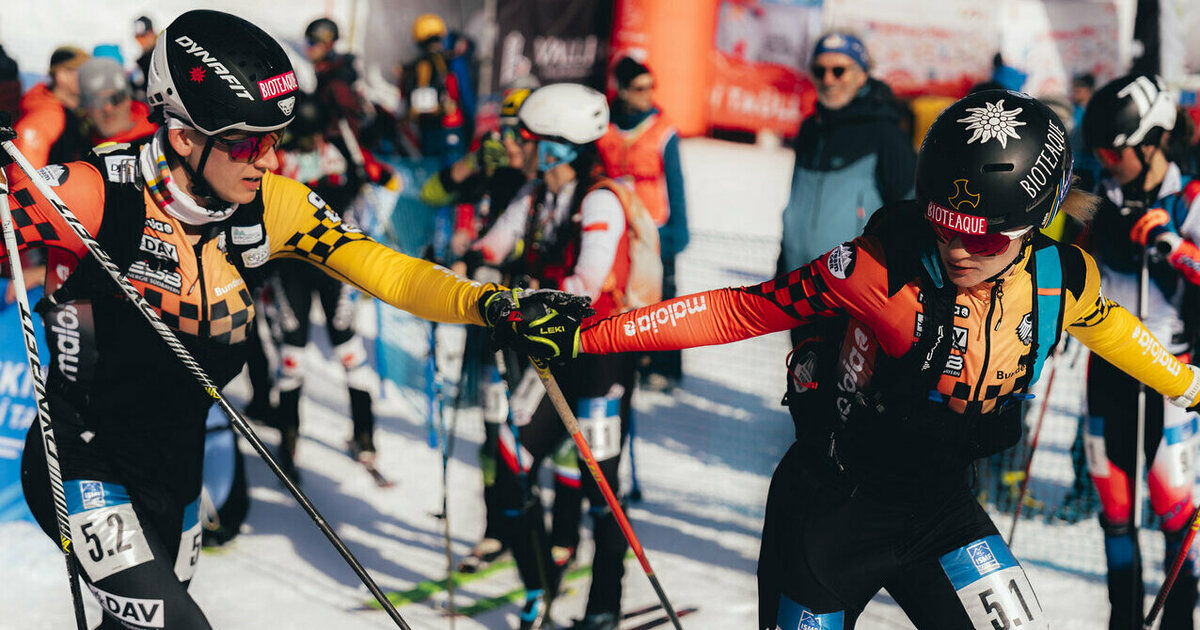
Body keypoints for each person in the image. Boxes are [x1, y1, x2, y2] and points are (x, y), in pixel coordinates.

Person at [7, 10, 588, 629]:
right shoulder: (97, 193)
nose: (266, 160)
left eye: (274, 139)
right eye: (246, 143)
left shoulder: (268, 206)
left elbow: (387, 270)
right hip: (82, 460)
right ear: (183, 137)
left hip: (176, 463)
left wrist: (489, 304)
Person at [572, 89, 1200, 629]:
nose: (957, 249)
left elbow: (1114, 328)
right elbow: (740, 310)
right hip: (829, 514)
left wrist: (1189, 387)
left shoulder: (1061, 282)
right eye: (943, 223)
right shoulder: (878, 269)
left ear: (1035, 224)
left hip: (942, 512)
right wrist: (585, 337)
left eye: (982, 237)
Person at [470, 83, 641, 630]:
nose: (514, 145)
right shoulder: (536, 196)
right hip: (554, 356)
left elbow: (586, 283)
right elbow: (492, 247)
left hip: (601, 355)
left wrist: (521, 296)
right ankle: (539, 585)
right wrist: (473, 268)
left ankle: (604, 605)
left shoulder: (600, 200)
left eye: (525, 137)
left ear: (557, 147)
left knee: (600, 485)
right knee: (511, 461)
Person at [1080, 73, 1200, 630]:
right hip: (1107, 368)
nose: (1106, 162)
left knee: (1173, 508)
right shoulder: (1096, 192)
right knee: (1116, 512)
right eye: (1100, 153)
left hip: (1171, 375)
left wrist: (1175, 247)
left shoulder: (1190, 199)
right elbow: (1058, 245)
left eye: (1115, 151)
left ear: (1151, 143)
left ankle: (1178, 622)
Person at [269, 95, 396, 483]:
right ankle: (289, 439)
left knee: (350, 352)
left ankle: (365, 436)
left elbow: (390, 180)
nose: (311, 143)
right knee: (292, 356)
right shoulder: (280, 160)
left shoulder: (341, 154)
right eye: (304, 137)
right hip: (291, 267)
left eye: (315, 136)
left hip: (334, 267)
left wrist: (363, 182)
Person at [779, 31, 914, 348]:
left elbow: (910, 217)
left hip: (854, 302)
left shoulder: (886, 134)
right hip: (802, 292)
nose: (828, 79)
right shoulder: (810, 130)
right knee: (802, 377)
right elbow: (796, 208)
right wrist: (782, 273)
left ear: (861, 75)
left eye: (839, 70)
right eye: (820, 70)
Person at [597, 56, 688, 391]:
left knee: (664, 299)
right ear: (621, 90)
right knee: (622, 296)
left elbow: (676, 184)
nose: (647, 95)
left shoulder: (663, 130)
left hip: (654, 227)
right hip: (618, 226)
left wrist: (678, 230)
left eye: (651, 87)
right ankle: (627, 360)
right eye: (639, 88)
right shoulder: (604, 127)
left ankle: (665, 366)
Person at [400, 13, 470, 162]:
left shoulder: (411, 68)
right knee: (453, 167)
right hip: (451, 125)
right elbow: (466, 99)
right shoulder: (453, 63)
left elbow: (403, 103)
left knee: (430, 167)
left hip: (426, 128)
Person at [14, 46, 89, 169]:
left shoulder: (74, 111)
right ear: (61, 75)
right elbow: (23, 175)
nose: (89, 77)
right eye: (82, 72)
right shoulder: (47, 116)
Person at [77, 56, 157, 145]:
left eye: (116, 98)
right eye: (97, 101)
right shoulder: (79, 145)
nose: (108, 108)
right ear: (86, 108)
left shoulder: (159, 141)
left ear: (129, 98)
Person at [131, 16, 156, 101]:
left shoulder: (160, 55)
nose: (141, 41)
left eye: (143, 36)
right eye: (137, 37)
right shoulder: (144, 59)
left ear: (152, 33)